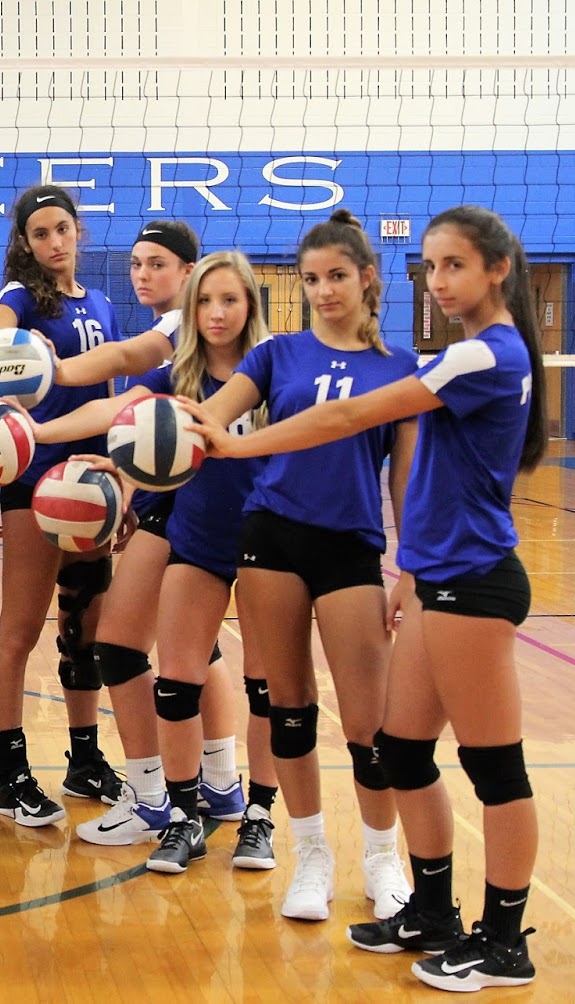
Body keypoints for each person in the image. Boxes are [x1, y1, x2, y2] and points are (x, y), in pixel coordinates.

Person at [188, 205, 546, 992]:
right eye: (433, 266)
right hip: (437, 577)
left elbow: (350, 414)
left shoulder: (482, 356)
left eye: (456, 265)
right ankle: (433, 911)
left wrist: (239, 441)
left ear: (497, 271)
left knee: (496, 770)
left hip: (474, 580)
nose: (442, 281)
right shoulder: (460, 355)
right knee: (404, 749)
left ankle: (505, 941)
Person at [190, 210, 417, 920]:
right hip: (271, 537)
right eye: (313, 279)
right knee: (288, 707)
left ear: (367, 278)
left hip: (351, 543)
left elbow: (404, 479)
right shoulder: (277, 355)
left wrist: (409, 566)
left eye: (337, 277)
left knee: (369, 725)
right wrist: (138, 446)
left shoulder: (399, 367)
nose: (323, 291)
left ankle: (383, 859)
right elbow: (208, 417)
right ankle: (311, 853)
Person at [62, 229, 278, 864]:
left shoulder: (273, 368)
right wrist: (33, 428)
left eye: (229, 300)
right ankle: (179, 798)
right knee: (170, 661)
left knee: (260, 676)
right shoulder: (175, 370)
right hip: (196, 531)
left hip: (266, 539)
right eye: (206, 300)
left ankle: (245, 804)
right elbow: (117, 410)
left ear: (249, 305)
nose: (215, 313)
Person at [0, 184, 119, 827]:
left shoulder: (104, 302)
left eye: (63, 229)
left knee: (85, 629)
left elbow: (109, 391)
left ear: (78, 230)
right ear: (25, 244)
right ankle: (12, 774)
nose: (55, 242)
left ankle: (85, 758)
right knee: (21, 627)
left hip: (92, 484)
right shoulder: (18, 300)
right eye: (41, 234)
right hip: (35, 482)